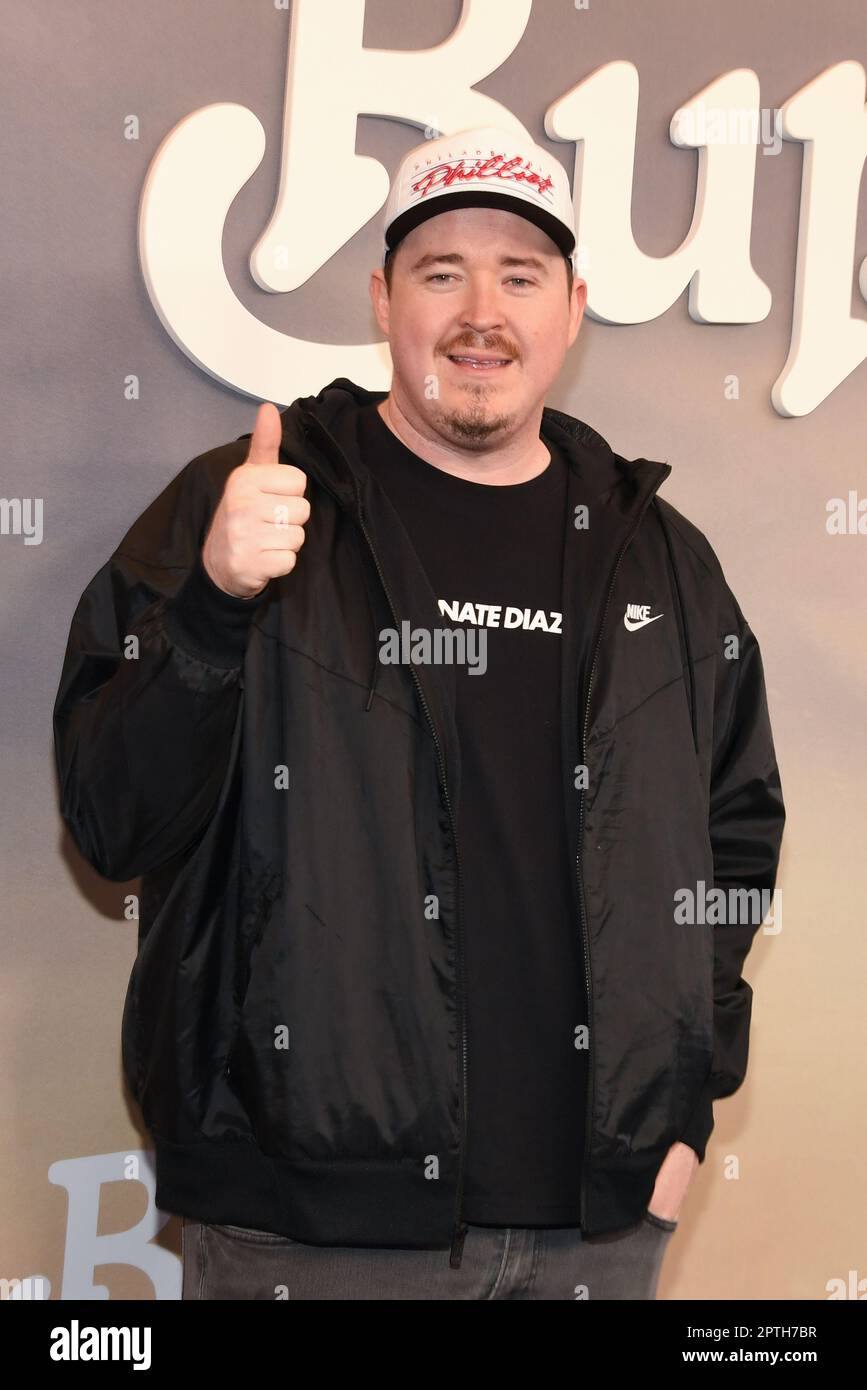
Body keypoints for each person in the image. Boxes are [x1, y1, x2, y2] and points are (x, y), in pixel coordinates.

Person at [53, 125, 785, 1300]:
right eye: (442, 272)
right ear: (383, 297)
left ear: (574, 308)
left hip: (596, 1232)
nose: (480, 311)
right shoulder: (243, 503)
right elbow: (110, 823)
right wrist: (213, 606)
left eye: (521, 275)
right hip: (309, 1231)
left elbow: (736, 837)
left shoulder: (659, 555)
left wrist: (685, 1101)